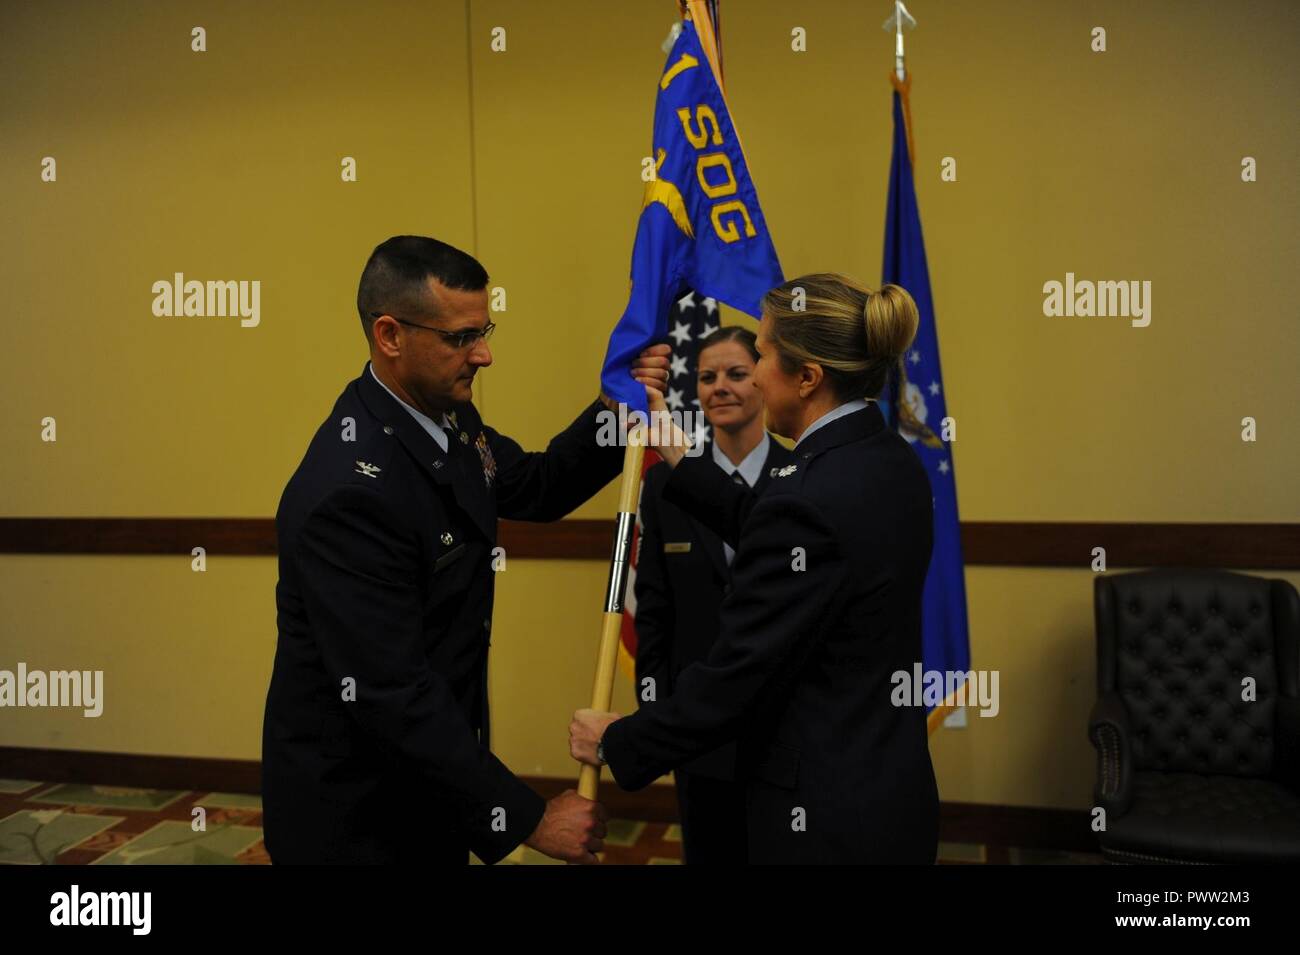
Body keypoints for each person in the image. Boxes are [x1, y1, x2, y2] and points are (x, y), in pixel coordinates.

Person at [263, 235, 668, 865]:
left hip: (430, 787)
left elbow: (535, 485)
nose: (483, 355)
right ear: (390, 335)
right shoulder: (350, 493)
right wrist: (530, 818)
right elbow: (392, 695)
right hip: (359, 816)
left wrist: (614, 408)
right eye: (460, 338)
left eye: (484, 331)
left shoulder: (444, 417)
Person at [571, 273, 940, 864]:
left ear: (808, 377)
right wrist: (681, 455)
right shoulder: (886, 459)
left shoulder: (809, 496)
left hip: (819, 817)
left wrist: (618, 740)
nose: (758, 376)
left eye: (762, 356)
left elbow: (738, 675)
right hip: (885, 789)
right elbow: (789, 538)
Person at [634, 326, 793, 864]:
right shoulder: (665, 484)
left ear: (764, 381)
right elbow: (654, 611)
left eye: (736, 373)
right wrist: (655, 713)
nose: (719, 387)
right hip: (696, 724)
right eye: (706, 377)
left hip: (783, 725)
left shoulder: (798, 478)